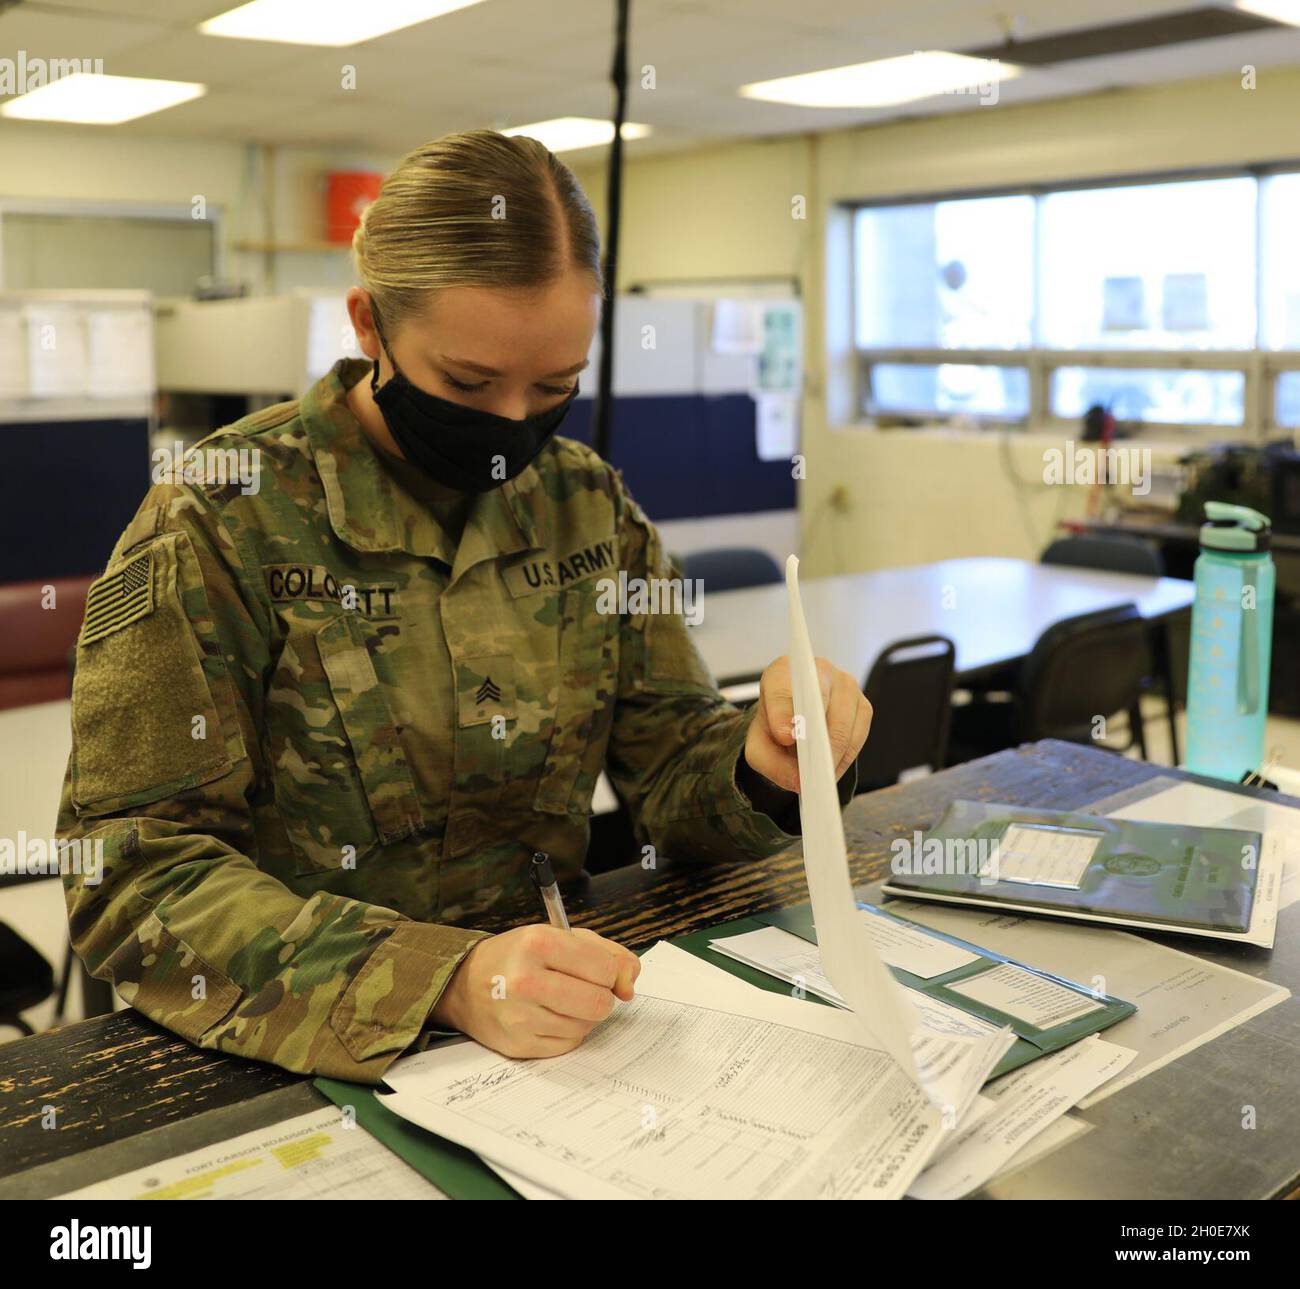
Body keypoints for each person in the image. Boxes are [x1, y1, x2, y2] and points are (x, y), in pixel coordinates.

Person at [56, 130, 871, 1084]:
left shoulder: (585, 504)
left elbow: (671, 775)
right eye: (468, 384)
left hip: (562, 1042)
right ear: (370, 325)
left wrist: (761, 763)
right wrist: (441, 979)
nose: (510, 426)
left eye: (554, 388)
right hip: (288, 1055)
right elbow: (134, 875)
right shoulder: (223, 516)